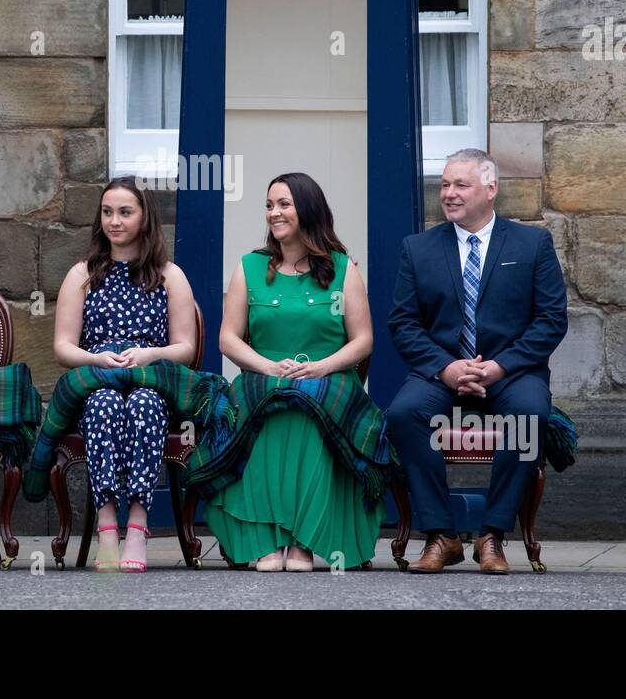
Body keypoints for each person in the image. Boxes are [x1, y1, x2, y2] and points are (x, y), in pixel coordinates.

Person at [385, 148, 567, 574]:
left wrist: (499, 366)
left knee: (528, 415)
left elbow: (551, 319)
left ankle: (492, 535)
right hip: (441, 370)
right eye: (445, 185)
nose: (448, 193)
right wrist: (447, 369)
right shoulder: (418, 248)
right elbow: (404, 323)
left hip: (511, 371)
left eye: (459, 185)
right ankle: (441, 535)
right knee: (404, 413)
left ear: (490, 189)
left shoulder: (532, 243)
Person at [207, 172, 384, 572]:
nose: (274, 213)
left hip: (328, 375)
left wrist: (320, 367)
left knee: (306, 406)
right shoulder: (250, 267)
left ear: (308, 209)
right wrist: (269, 366)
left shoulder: (342, 269)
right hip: (264, 372)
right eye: (270, 205)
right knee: (271, 406)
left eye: (283, 204)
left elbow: (363, 341)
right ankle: (266, 539)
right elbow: (228, 339)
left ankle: (303, 540)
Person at [53, 177, 198, 572]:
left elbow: (185, 348)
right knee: (102, 405)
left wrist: (151, 354)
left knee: (146, 405)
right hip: (98, 376)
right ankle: (105, 527)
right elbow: (63, 347)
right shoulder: (82, 274)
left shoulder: (169, 275)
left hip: (149, 378)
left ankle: (136, 525)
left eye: (125, 212)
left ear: (144, 217)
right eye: (107, 212)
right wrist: (96, 360)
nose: (114, 221)